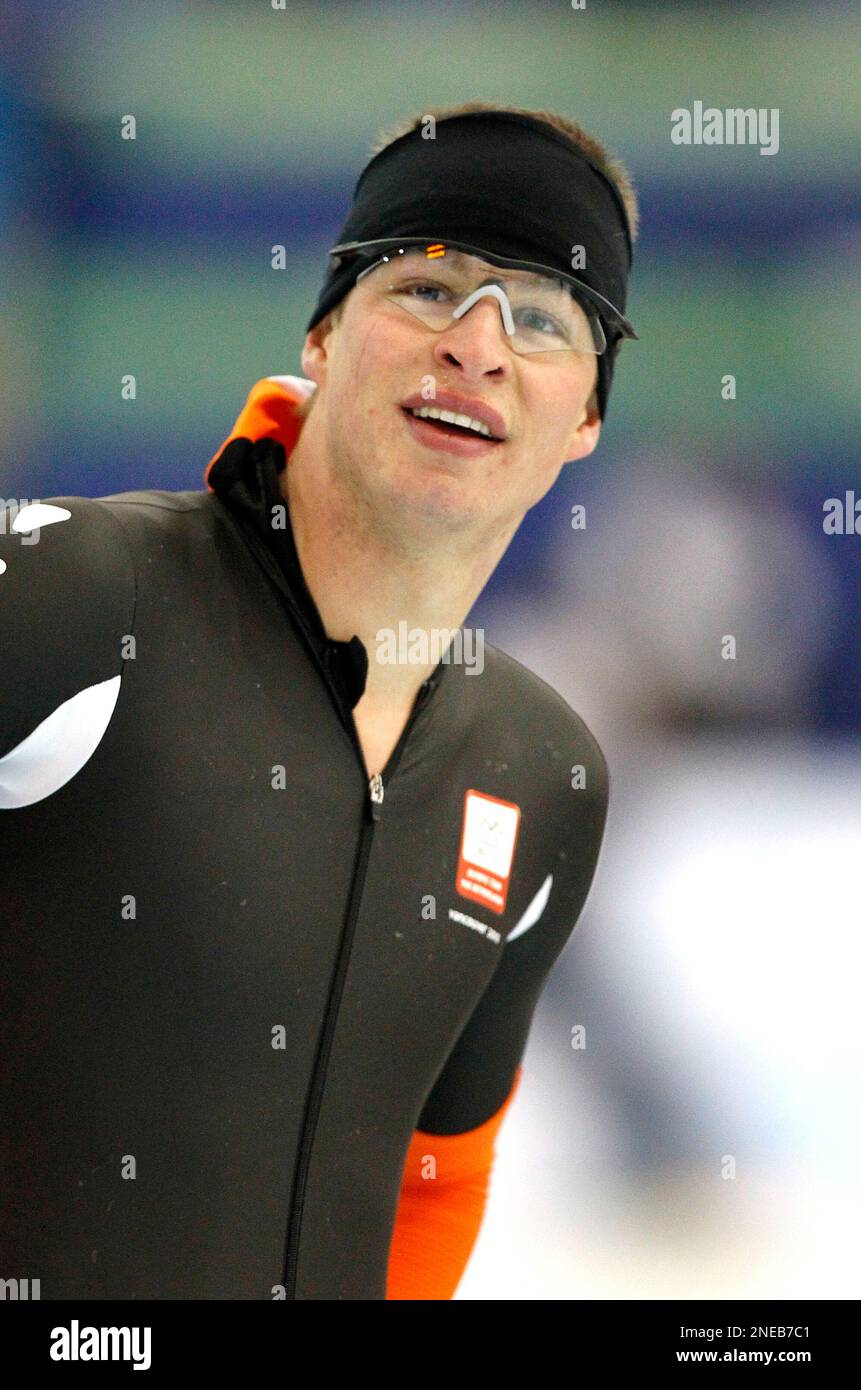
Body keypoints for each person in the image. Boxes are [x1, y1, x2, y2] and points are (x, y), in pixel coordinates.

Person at [0, 102, 638, 1300]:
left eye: (544, 318)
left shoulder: (540, 772)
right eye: (428, 288)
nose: (479, 346)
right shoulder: (80, 597)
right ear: (325, 336)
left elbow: (433, 1183)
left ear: (587, 418)